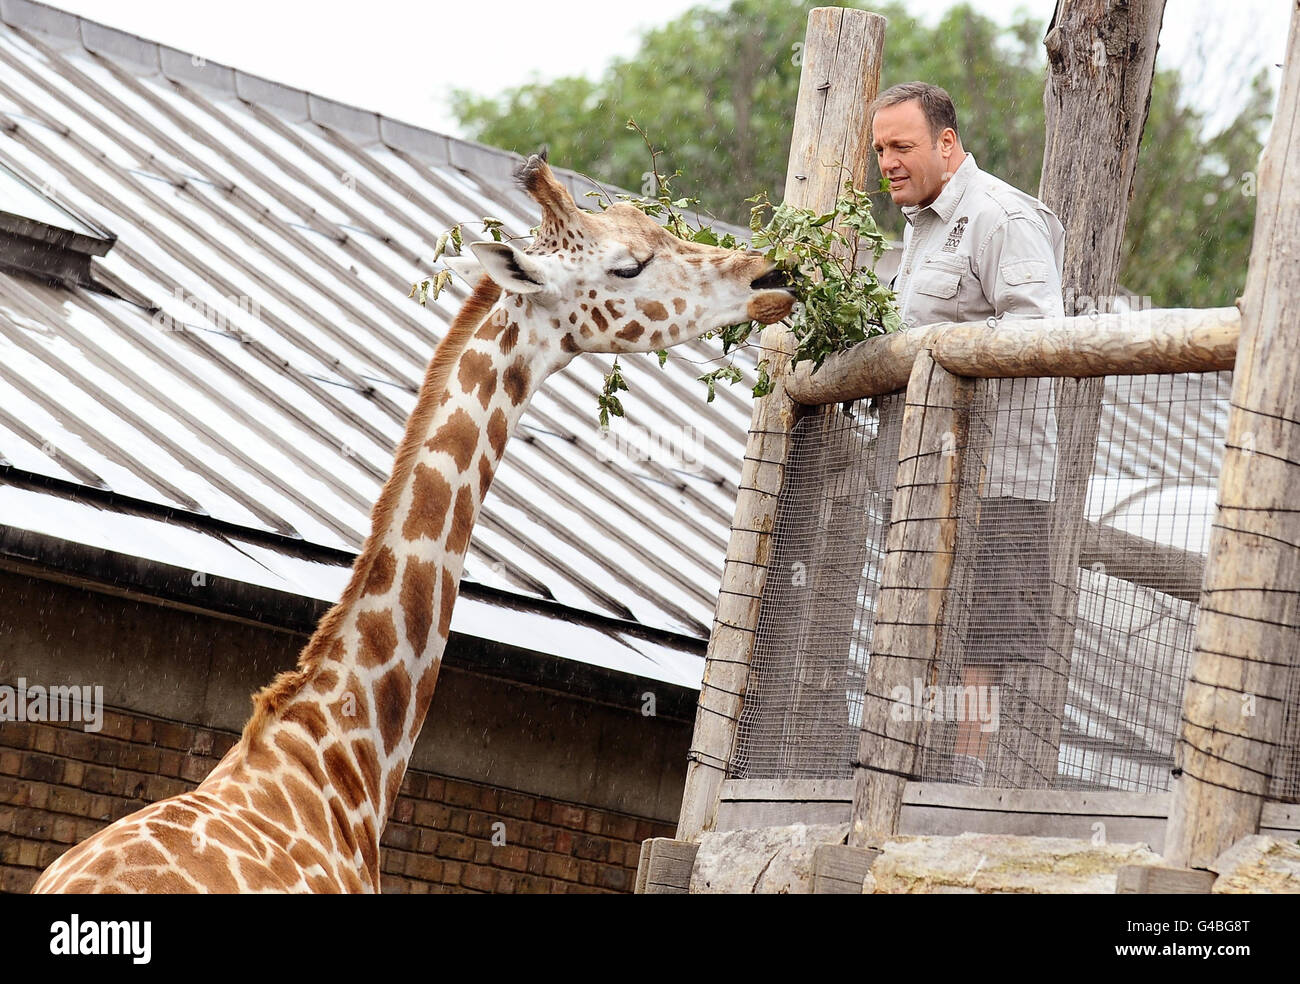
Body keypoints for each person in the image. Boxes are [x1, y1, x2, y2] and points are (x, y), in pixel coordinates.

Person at [869, 81, 1066, 784]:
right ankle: (894, 769)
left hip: (998, 470)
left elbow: (1038, 333)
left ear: (946, 144)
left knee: (982, 638)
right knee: (911, 614)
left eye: (903, 146)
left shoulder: (1003, 216)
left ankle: (965, 780)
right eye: (881, 149)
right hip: (924, 466)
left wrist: (946, 360)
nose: (887, 162)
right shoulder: (919, 225)